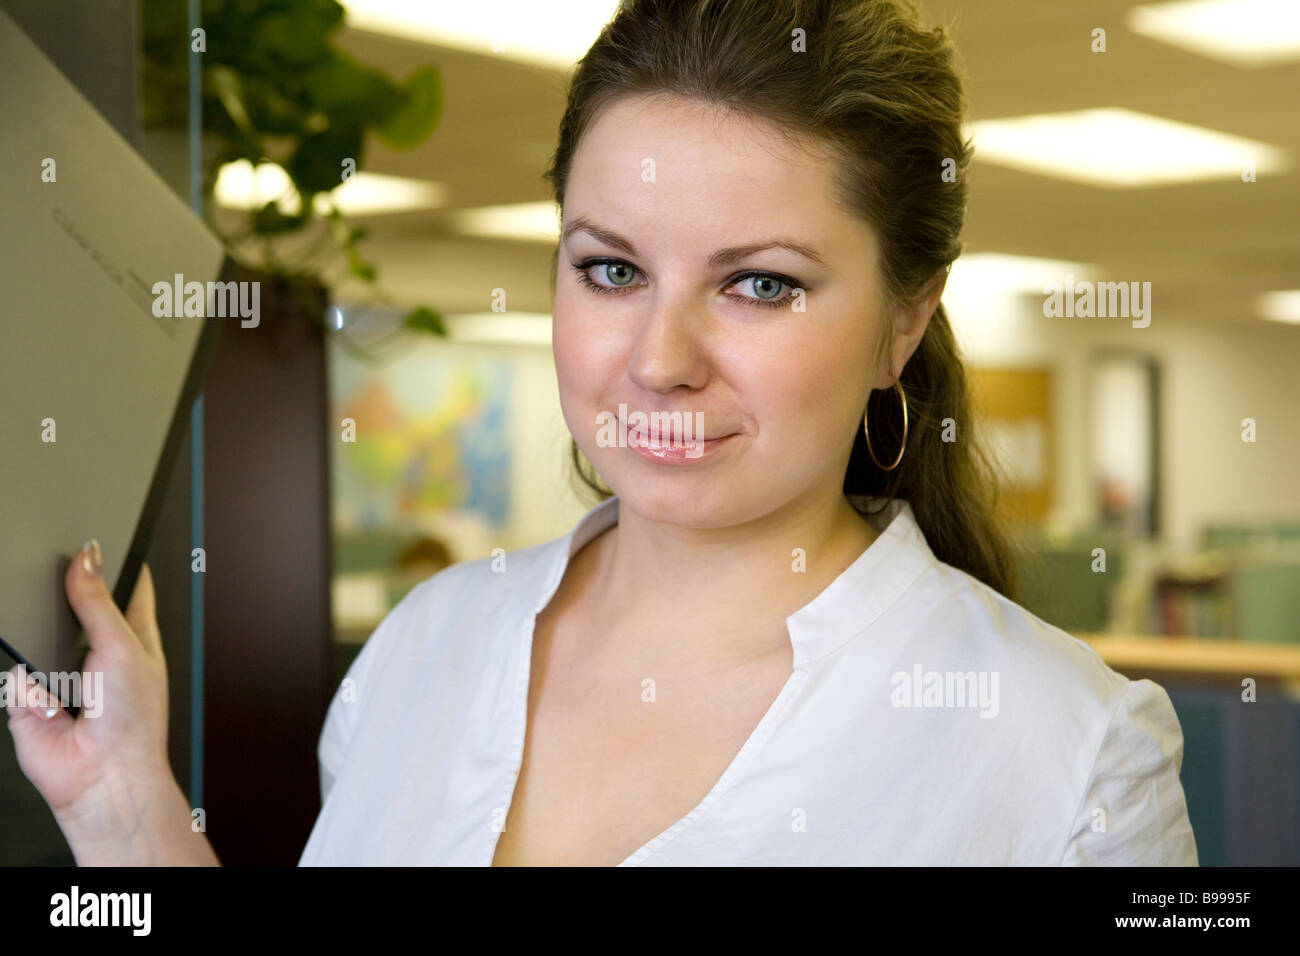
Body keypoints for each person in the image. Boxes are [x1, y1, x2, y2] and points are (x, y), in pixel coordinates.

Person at [6, 0, 1197, 866]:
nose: (659, 358)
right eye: (612, 267)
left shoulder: (1067, 757)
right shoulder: (426, 650)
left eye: (761, 284)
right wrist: (124, 810)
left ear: (903, 321)